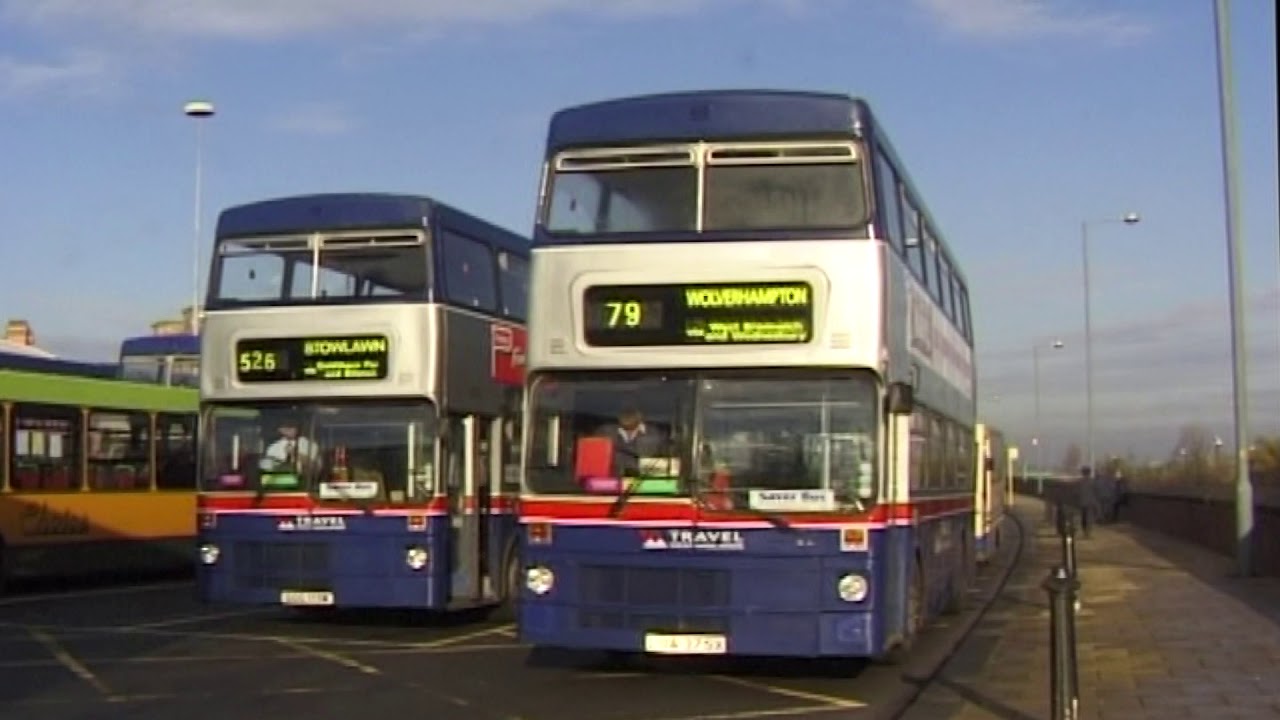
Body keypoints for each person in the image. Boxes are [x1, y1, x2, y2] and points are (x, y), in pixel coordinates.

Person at [596, 405, 667, 476]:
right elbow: (595, 455)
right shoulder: (605, 432)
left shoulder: (656, 434)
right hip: (610, 480)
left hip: (646, 478)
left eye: (631, 425)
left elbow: (666, 460)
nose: (628, 423)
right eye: (625, 422)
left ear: (639, 421)